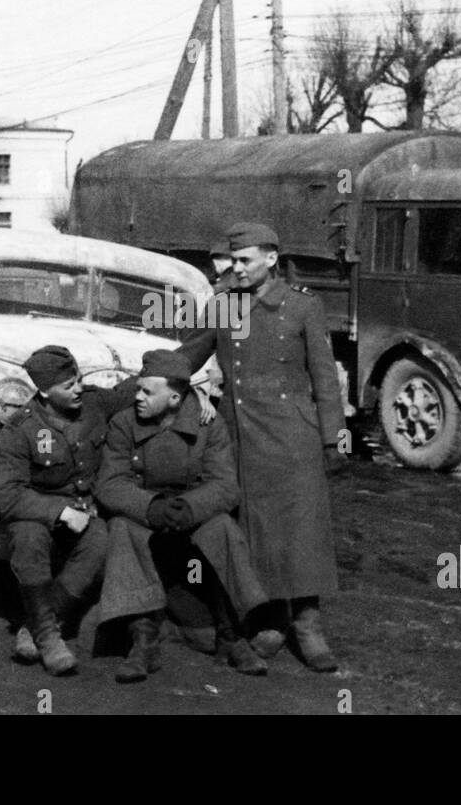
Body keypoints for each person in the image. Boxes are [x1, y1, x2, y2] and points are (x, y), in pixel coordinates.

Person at [177, 221, 346, 672]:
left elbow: (325, 378)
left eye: (244, 260)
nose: (236, 268)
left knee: (300, 530)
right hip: (239, 439)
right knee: (252, 533)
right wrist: (147, 379)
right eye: (232, 260)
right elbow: (186, 357)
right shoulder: (223, 306)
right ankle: (270, 619)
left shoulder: (303, 307)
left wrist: (333, 438)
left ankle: (307, 625)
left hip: (293, 438)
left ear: (271, 258)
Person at [95, 349, 269, 682]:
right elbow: (110, 482)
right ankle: (143, 641)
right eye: (138, 388)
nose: (138, 396)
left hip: (191, 512)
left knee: (223, 529)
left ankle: (232, 636)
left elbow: (225, 485)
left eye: (148, 391)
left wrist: (191, 507)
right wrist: (150, 507)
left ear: (175, 397)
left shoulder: (209, 424)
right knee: (122, 528)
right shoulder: (124, 423)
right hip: (146, 511)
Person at [0, 345, 135, 675]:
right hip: (36, 512)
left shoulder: (95, 404)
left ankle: (38, 627)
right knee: (29, 540)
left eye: (79, 380)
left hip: (85, 512)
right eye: (69, 386)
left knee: (100, 542)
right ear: (44, 390)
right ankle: (52, 640)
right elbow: (7, 495)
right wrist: (60, 512)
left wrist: (193, 387)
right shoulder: (19, 429)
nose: (79, 389)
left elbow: (143, 384)